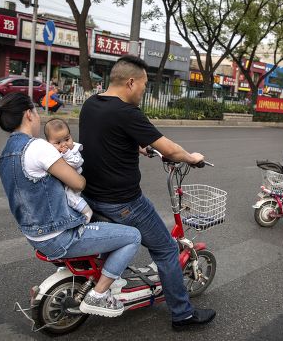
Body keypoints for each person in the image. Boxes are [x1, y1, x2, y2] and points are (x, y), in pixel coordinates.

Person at [0, 93, 141, 318]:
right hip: (59, 236)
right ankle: (98, 296)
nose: (39, 117)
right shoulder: (38, 148)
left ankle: (95, 279)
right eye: (37, 112)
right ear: (29, 114)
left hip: (35, 236)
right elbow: (78, 183)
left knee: (103, 228)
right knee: (132, 236)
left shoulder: (7, 154)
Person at [79, 55, 216, 330]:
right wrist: (191, 157)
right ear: (130, 82)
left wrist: (139, 146)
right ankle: (183, 314)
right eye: (143, 85)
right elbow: (170, 149)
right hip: (123, 202)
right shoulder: (127, 112)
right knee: (166, 249)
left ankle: (113, 279)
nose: (144, 91)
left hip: (92, 197)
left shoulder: (92, 104)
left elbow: (106, 138)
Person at [44, 118, 93, 223]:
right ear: (48, 144)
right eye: (58, 142)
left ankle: (87, 211)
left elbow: (77, 162)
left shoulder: (74, 150)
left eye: (67, 139)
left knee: (71, 198)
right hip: (61, 182)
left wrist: (67, 154)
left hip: (72, 183)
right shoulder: (50, 152)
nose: (64, 145)